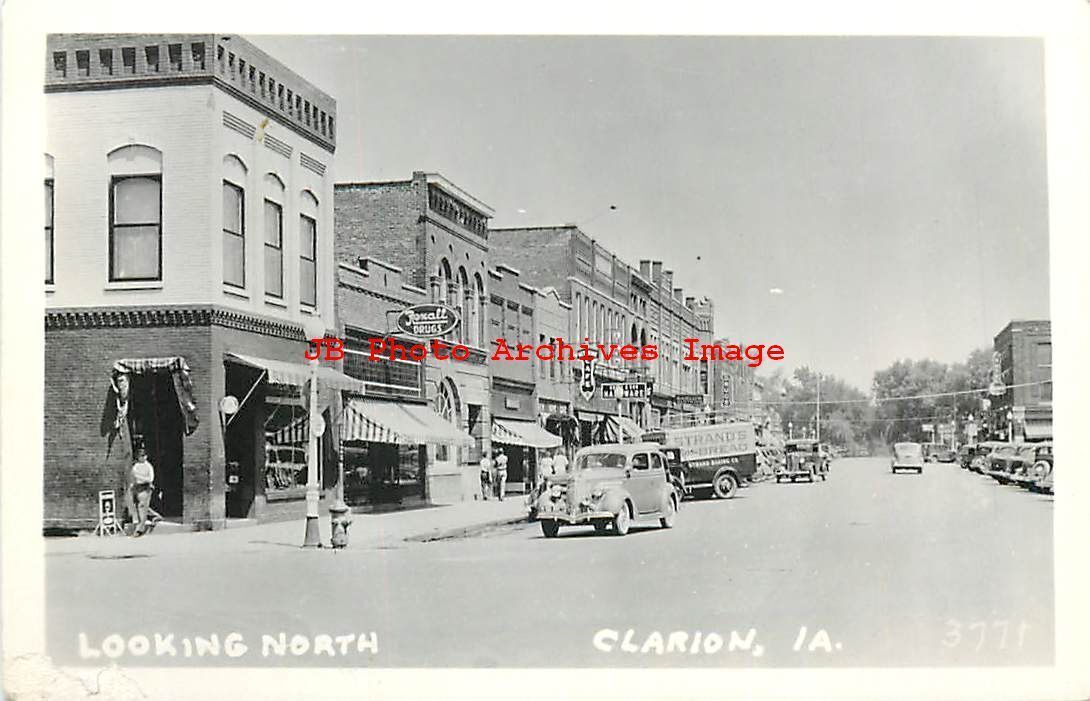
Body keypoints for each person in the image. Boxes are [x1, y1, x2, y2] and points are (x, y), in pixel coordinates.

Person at [129, 448, 162, 536]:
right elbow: (133, 476)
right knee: (140, 507)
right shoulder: (136, 466)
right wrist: (136, 481)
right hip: (137, 488)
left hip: (146, 488)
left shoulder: (148, 466)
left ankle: (139, 529)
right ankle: (156, 516)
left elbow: (150, 479)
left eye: (143, 456)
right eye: (140, 456)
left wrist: (140, 478)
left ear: (146, 456)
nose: (141, 458)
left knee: (142, 506)